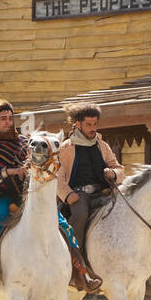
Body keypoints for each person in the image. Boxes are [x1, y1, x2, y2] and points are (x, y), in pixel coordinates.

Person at [0, 100, 101, 297]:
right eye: (3, 119)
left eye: (10, 118)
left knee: (63, 224)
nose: (8, 122)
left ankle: (80, 271)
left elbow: (42, 163)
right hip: (3, 196)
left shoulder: (26, 143)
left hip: (30, 196)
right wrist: (10, 171)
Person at [56, 103, 125, 243]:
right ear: (78, 124)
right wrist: (68, 195)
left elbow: (119, 169)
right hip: (78, 195)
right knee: (80, 215)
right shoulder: (65, 148)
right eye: (89, 124)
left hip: (104, 192)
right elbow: (57, 177)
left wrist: (113, 173)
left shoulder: (102, 145)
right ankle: (75, 254)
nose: (93, 128)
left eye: (95, 124)